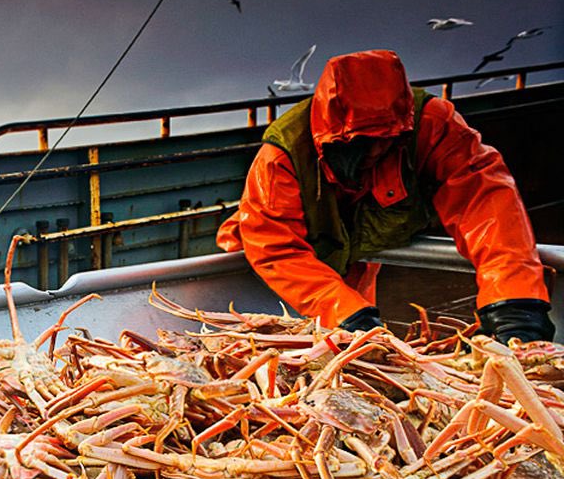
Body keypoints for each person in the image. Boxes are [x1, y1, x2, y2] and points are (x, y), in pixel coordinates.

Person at [217, 49, 555, 342]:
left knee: (358, 352)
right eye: (362, 143)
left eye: (385, 140)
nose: (376, 151)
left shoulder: (433, 125)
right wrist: (349, 315)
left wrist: (515, 303)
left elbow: (487, 206)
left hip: (357, 259)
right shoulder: (281, 157)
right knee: (328, 338)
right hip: (289, 272)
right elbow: (276, 247)